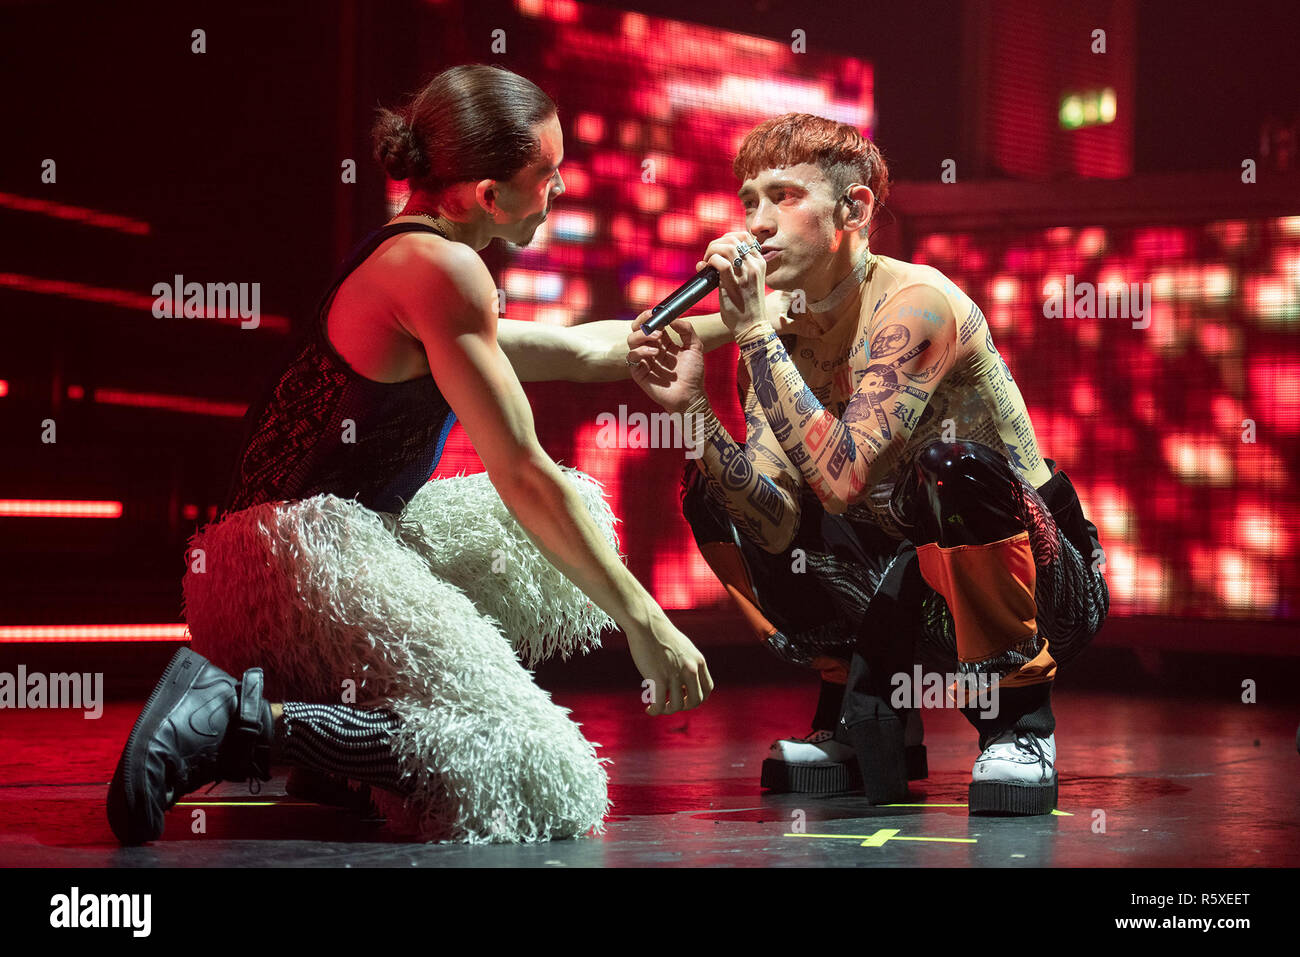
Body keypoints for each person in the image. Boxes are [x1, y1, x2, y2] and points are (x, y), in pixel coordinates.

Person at [107, 64, 713, 847]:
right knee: (539, 769)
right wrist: (647, 621)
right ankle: (233, 720)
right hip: (288, 560)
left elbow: (592, 350)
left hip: (308, 548)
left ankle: (337, 757)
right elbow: (520, 467)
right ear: (488, 195)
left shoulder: (425, 259)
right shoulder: (438, 270)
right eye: (548, 176)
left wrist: (755, 312)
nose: (561, 190)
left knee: (558, 519)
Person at [623, 113, 1110, 815]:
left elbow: (843, 473)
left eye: (783, 196)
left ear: (854, 209)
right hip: (901, 585)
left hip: (1043, 586)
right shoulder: (781, 332)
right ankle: (854, 716)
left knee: (953, 468)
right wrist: (692, 411)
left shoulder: (915, 305)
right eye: (748, 200)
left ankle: (1019, 723)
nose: (755, 223)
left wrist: (756, 331)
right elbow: (779, 515)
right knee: (712, 492)